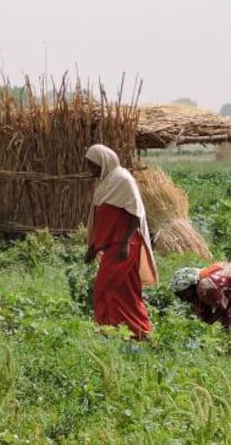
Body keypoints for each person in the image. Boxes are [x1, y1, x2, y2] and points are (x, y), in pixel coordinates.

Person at [82, 144, 157, 340]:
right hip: (112, 245)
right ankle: (117, 331)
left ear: (103, 162)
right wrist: (94, 247)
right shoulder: (106, 182)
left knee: (109, 287)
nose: (91, 170)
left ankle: (138, 330)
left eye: (93, 165)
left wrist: (124, 244)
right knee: (119, 290)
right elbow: (105, 220)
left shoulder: (123, 180)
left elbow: (135, 213)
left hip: (125, 245)